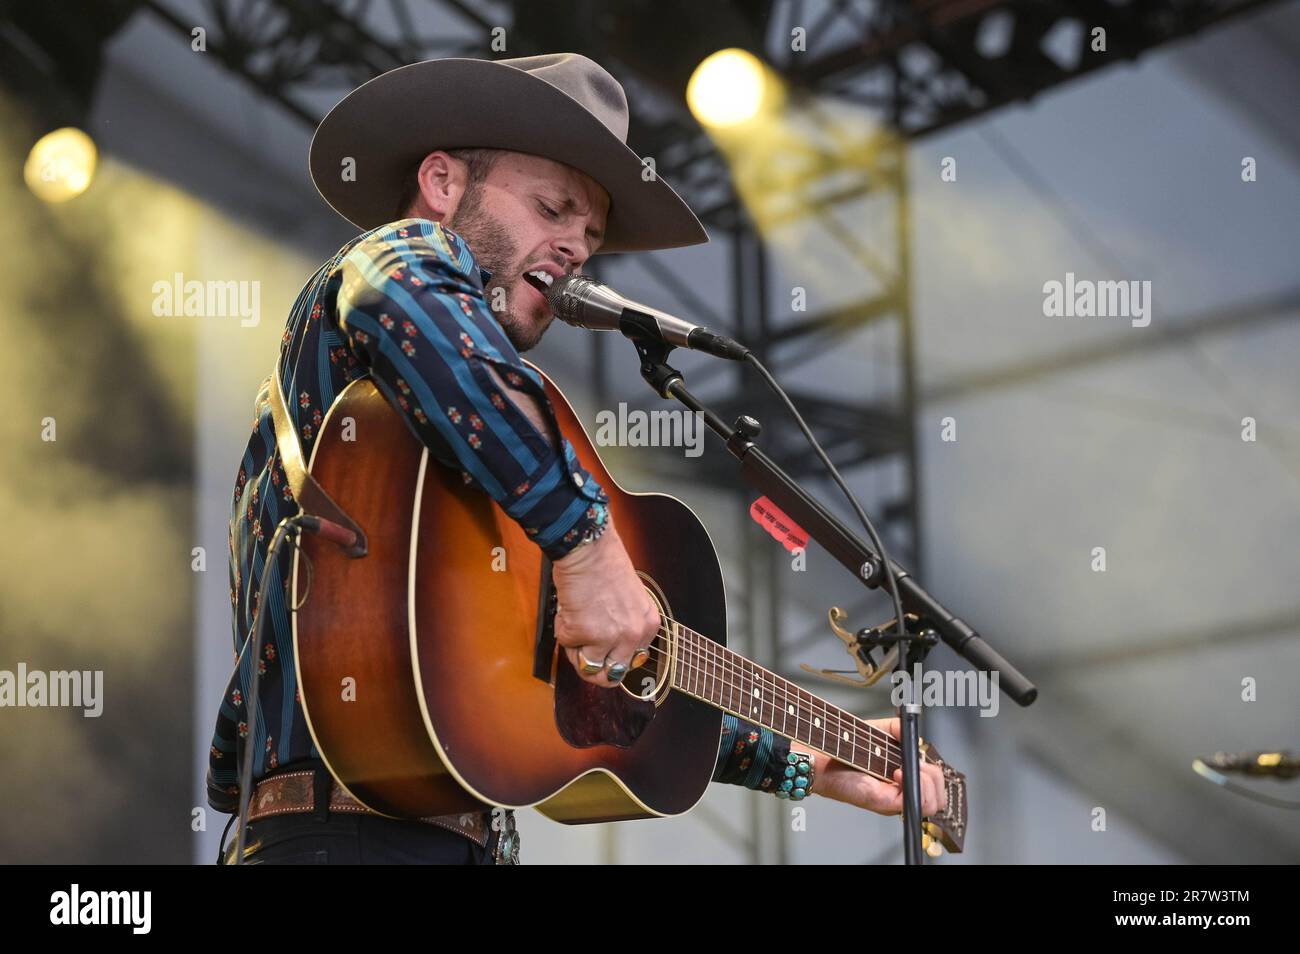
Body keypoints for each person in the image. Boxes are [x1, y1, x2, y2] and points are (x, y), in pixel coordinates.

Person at [208, 53, 947, 865]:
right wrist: (590, 549)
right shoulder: (402, 255)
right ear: (445, 182)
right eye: (552, 208)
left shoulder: (484, 468)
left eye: (590, 237)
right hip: (337, 839)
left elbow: (598, 676)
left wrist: (803, 759)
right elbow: (398, 300)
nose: (572, 249)